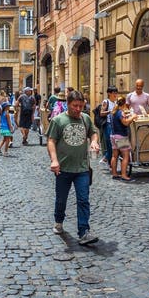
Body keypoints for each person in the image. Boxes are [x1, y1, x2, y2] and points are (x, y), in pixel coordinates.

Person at [47, 90, 100, 245]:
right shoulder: (58, 121)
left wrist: (94, 141)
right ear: (67, 104)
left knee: (83, 200)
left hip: (82, 168)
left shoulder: (85, 119)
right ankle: (58, 221)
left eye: (81, 106)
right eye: (75, 106)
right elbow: (51, 141)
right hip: (62, 169)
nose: (78, 109)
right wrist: (54, 160)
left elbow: (93, 133)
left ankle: (84, 232)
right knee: (61, 199)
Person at [111, 96, 137, 182]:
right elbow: (125, 123)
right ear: (124, 103)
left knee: (115, 156)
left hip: (113, 136)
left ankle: (114, 173)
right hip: (121, 136)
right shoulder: (120, 113)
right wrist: (132, 117)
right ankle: (124, 175)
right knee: (126, 156)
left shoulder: (114, 112)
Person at [100, 86, 118, 165]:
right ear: (109, 93)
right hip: (108, 124)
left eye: (116, 93)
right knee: (110, 144)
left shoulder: (116, 102)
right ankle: (109, 161)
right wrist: (110, 111)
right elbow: (101, 113)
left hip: (115, 125)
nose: (115, 95)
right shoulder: (106, 102)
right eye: (114, 93)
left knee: (114, 144)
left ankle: (107, 158)